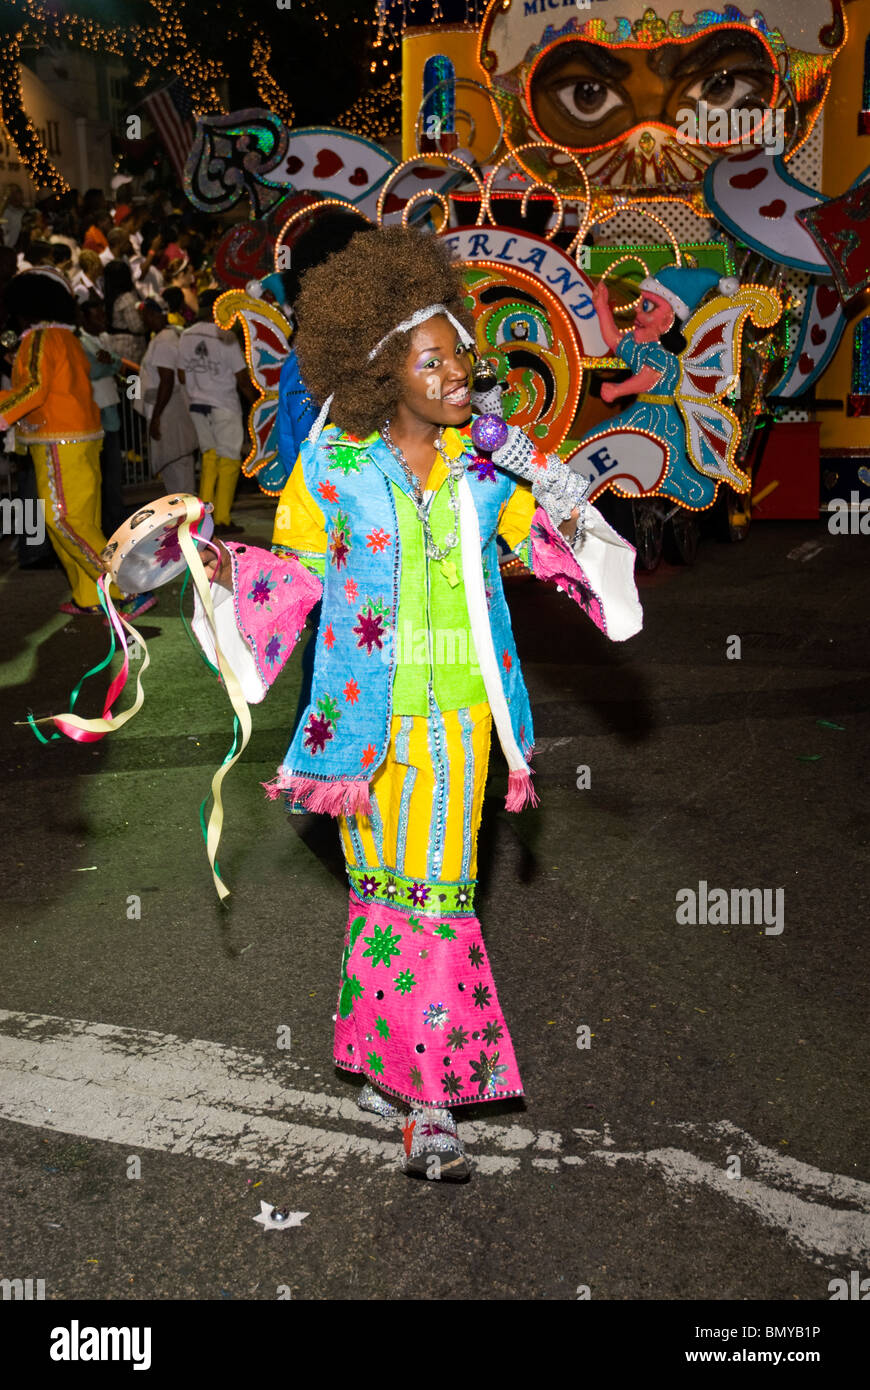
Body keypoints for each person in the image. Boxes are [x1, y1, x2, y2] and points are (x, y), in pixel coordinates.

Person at [192, 228, 642, 1181]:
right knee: (383, 893)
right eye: (434, 360)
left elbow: (569, 552)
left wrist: (556, 486)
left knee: (439, 895)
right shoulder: (332, 472)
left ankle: (429, 1100)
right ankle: (379, 1058)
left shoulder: (488, 474)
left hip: (458, 721)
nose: (458, 376)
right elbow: (295, 577)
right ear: (381, 368)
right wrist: (210, 566)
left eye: (463, 359)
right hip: (359, 724)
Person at [0, 267, 154, 617]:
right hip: (80, 438)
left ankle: (125, 590)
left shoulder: (40, 338)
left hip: (59, 440)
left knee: (63, 520)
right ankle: (88, 597)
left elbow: (34, 388)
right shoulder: (68, 337)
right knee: (77, 520)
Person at [178, 290, 254, 533]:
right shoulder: (226, 336)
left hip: (197, 405)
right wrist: (255, 403)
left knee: (209, 458)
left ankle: (201, 519)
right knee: (230, 459)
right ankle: (221, 518)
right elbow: (242, 378)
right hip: (224, 405)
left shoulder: (185, 335)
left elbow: (181, 373)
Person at [138, 297, 199, 496]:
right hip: (168, 410)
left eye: (145, 316)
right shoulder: (167, 336)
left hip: (168, 412)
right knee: (175, 470)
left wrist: (156, 417)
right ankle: (183, 520)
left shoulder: (164, 341)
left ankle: (188, 522)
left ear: (153, 314)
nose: (143, 320)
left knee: (177, 469)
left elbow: (167, 380)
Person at [77, 296, 125, 538]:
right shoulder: (79, 341)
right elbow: (92, 369)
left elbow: (116, 363)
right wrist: (110, 363)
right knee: (101, 473)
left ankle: (114, 522)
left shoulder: (103, 338)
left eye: (103, 315)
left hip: (110, 406)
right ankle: (103, 525)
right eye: (97, 316)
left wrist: (110, 362)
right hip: (95, 410)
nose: (102, 320)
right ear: (83, 318)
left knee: (113, 472)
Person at [104, 259, 146, 365]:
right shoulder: (127, 298)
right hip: (130, 347)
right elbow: (136, 327)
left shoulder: (110, 297)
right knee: (132, 380)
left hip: (115, 344)